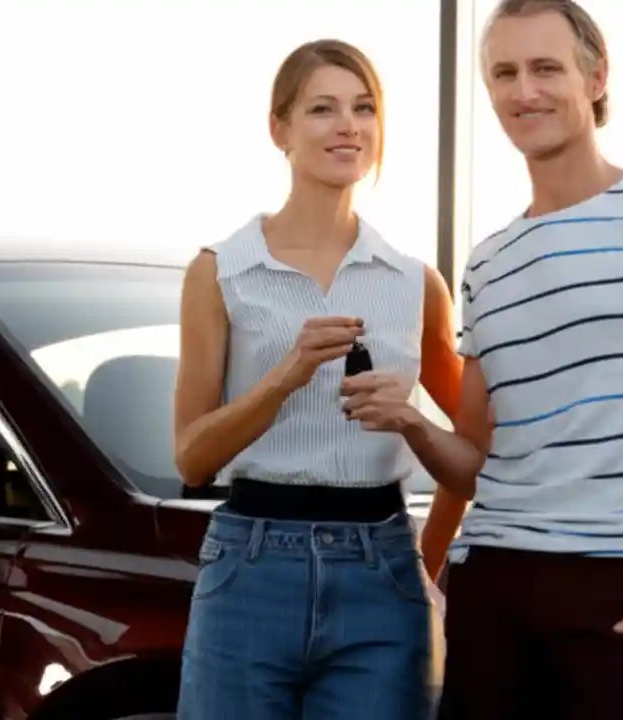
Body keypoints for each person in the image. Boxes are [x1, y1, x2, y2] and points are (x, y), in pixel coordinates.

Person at [341, 1, 623, 717]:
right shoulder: (488, 262)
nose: (524, 90)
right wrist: (412, 422)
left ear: (596, 77)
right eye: (504, 73)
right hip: (492, 587)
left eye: (546, 68)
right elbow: (476, 461)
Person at [172, 39, 464, 720]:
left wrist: (423, 559)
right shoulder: (220, 272)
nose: (348, 126)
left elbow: (471, 461)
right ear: (280, 129)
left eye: (364, 109)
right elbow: (191, 454)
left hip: (381, 572)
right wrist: (286, 377)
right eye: (323, 109)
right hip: (250, 568)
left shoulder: (416, 283)